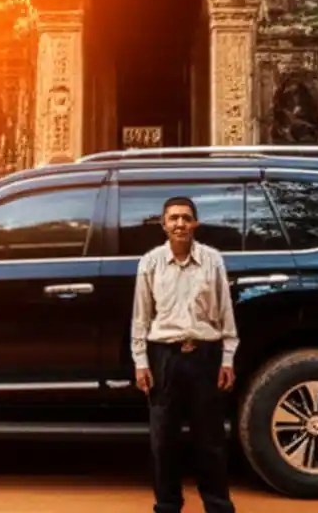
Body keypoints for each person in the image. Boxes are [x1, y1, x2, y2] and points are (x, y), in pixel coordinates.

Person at [131, 196, 238, 513]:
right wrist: (140, 362)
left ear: (195, 224)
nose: (180, 223)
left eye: (186, 218)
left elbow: (225, 313)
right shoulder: (149, 263)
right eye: (173, 218)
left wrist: (228, 358)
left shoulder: (213, 260)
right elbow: (141, 317)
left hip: (205, 357)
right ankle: (167, 505)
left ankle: (218, 505)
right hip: (164, 359)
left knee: (210, 440)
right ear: (163, 225)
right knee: (163, 441)